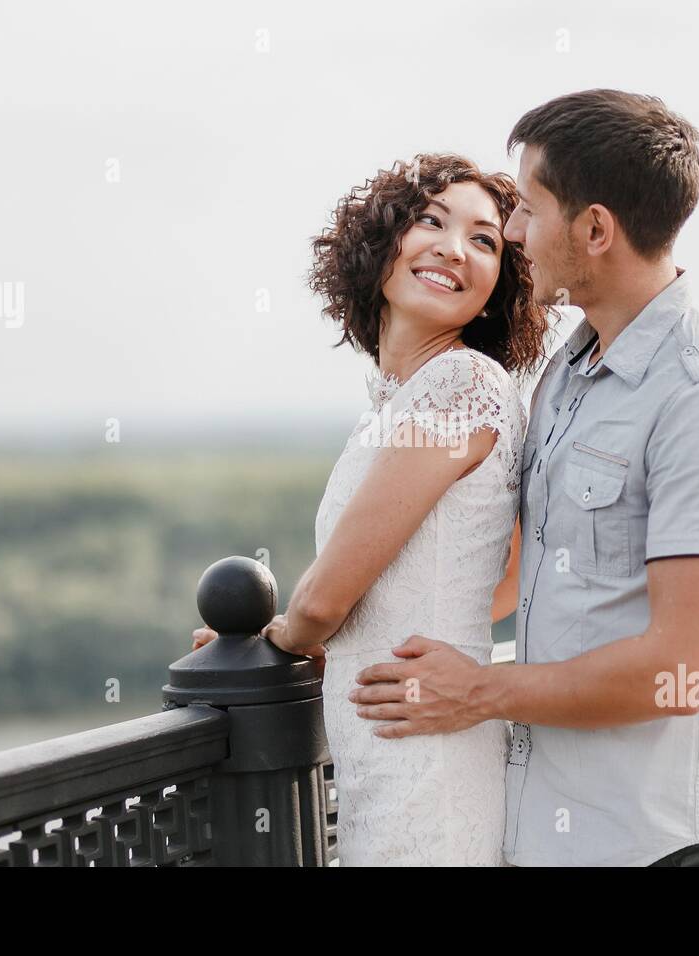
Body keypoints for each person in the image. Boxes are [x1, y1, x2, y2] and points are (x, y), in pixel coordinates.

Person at [350, 90, 699, 867]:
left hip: (653, 846)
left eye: (525, 208)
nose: (514, 231)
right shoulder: (568, 372)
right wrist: (328, 644)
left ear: (594, 229)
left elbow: (679, 672)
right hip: (542, 832)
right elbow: (509, 574)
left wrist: (481, 691)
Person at [191, 152, 549, 864]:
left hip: (425, 760)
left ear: (498, 284)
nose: (455, 247)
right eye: (431, 221)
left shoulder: (460, 381)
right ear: (379, 243)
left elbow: (324, 597)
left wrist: (286, 637)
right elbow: (496, 584)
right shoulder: (405, 399)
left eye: (484, 239)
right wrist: (369, 640)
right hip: (398, 746)